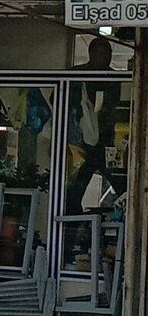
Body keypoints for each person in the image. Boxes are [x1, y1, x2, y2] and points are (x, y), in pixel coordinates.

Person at [67, 37, 120, 215]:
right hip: (80, 142)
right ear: (91, 53)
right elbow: (57, 98)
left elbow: (114, 106)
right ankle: (71, 219)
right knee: (76, 186)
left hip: (105, 140)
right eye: (102, 54)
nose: (106, 58)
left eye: (108, 54)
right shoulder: (76, 75)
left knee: (119, 183)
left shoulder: (114, 77)